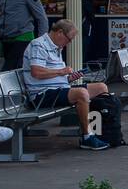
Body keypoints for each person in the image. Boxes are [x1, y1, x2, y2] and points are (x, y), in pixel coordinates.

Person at [21, 19, 111, 151]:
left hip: (58, 89)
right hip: (42, 94)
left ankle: (98, 131)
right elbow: (36, 72)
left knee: (101, 88)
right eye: (69, 39)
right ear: (60, 33)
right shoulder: (38, 45)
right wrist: (61, 71)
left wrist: (68, 78)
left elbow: (54, 76)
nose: (69, 43)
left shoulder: (56, 48)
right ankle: (87, 136)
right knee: (81, 93)